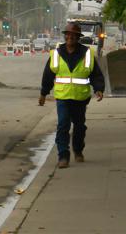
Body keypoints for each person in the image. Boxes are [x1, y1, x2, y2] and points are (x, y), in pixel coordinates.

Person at [38, 22, 105, 169]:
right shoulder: (56, 53)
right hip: (63, 97)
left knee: (79, 127)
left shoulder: (86, 53)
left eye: (73, 35)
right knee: (63, 125)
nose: (70, 37)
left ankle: (78, 150)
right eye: (68, 34)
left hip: (81, 98)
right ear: (65, 36)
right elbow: (48, 75)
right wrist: (44, 93)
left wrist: (99, 88)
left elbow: (95, 74)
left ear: (78, 37)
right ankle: (63, 156)